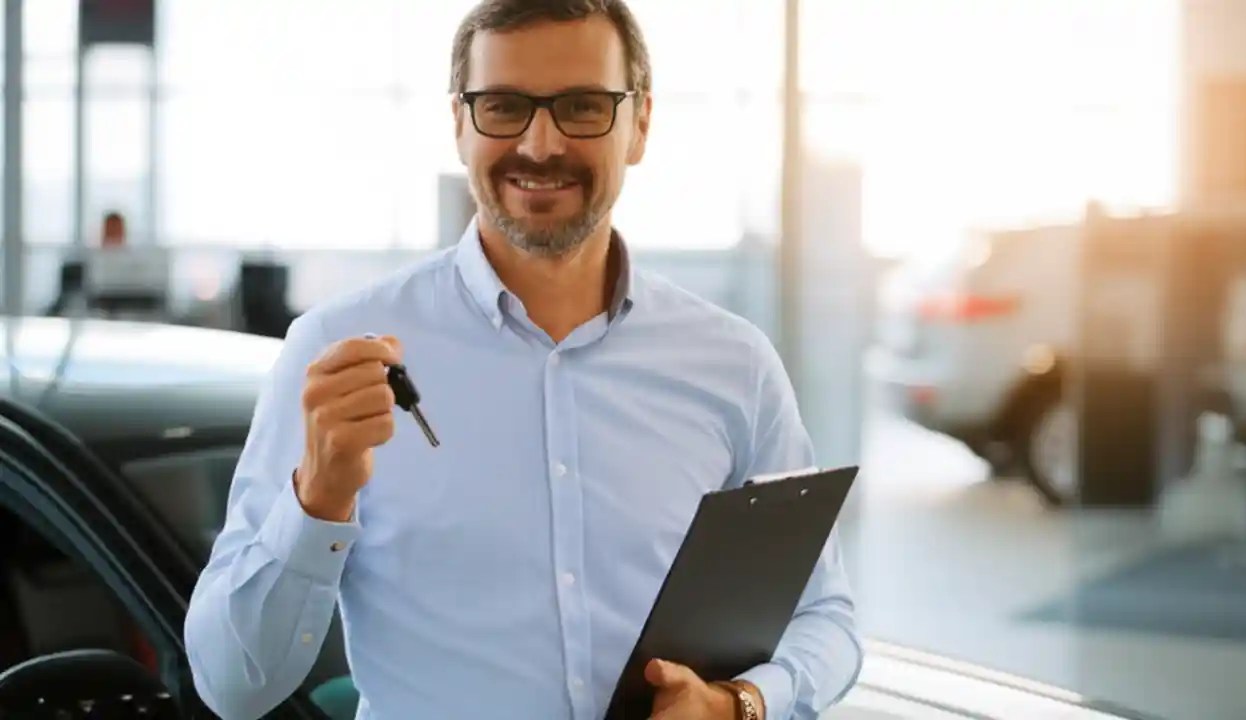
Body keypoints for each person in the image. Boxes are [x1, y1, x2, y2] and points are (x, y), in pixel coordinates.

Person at [183, 1, 862, 718]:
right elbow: (233, 687)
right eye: (503, 106)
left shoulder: (734, 366)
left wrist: (740, 704)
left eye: (582, 106)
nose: (541, 145)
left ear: (641, 125)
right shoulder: (337, 353)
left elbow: (825, 617)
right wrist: (317, 496)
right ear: (458, 124)